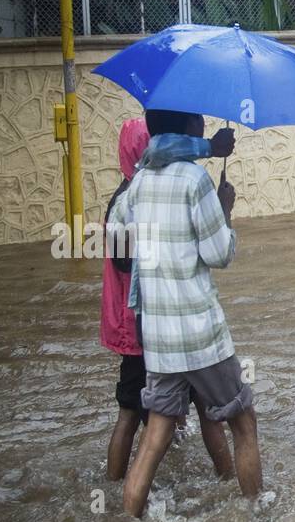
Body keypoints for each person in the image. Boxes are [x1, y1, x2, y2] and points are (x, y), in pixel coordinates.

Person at [111, 108, 262, 518]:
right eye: (198, 120)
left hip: (157, 338)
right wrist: (225, 208)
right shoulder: (196, 181)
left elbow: (119, 238)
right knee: (244, 422)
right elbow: (219, 254)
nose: (203, 125)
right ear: (187, 128)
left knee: (156, 433)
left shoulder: (137, 184)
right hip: (200, 334)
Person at [100, 117, 234, 481]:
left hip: (141, 331)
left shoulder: (128, 194)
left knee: (146, 417)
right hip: (148, 330)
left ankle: (123, 491)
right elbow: (127, 259)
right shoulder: (137, 196)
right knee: (182, 416)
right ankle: (217, 484)